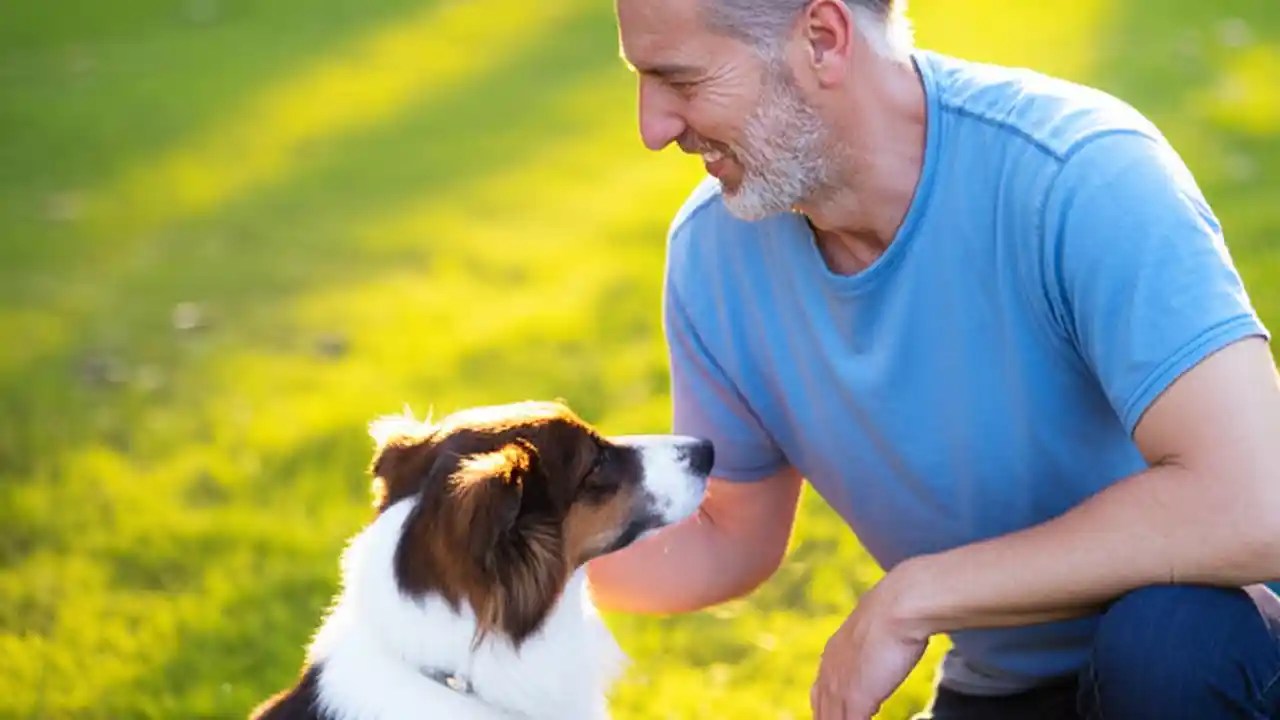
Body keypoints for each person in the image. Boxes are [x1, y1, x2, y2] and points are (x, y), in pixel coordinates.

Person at [584, 0, 1280, 718]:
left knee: (1166, 646)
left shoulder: (1078, 172)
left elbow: (1256, 504)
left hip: (1230, 648)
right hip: (1010, 689)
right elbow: (729, 536)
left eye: (683, 81)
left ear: (822, 39)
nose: (652, 127)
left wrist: (917, 595)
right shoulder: (713, 255)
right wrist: (498, 558)